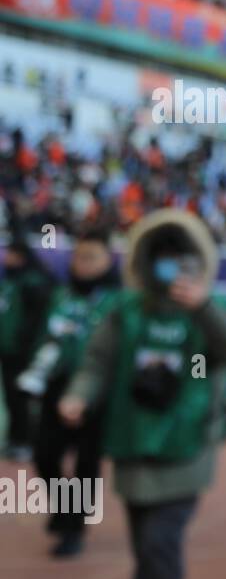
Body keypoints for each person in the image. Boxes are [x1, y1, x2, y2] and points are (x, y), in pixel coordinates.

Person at [59, 209, 226, 579]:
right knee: (147, 547)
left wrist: (202, 306)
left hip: (186, 449)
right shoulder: (124, 310)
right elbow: (97, 362)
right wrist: (78, 395)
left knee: (159, 545)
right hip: (133, 443)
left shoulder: (212, 308)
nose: (171, 269)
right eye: (162, 259)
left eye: (181, 259)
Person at [20, 228, 121, 557]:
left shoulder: (119, 302)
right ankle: (64, 510)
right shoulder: (59, 295)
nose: (84, 264)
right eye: (79, 256)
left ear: (108, 261)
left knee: (86, 463)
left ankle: (74, 526)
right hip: (56, 386)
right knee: (45, 455)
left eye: (92, 257)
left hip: (99, 393)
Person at [0, 234, 53, 461]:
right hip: (8, 349)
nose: (6, 258)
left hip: (22, 351)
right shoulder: (11, 281)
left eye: (11, 254)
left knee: (21, 398)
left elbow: (35, 319)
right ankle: (15, 439)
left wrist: (26, 344)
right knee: (11, 397)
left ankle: (24, 441)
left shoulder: (33, 282)